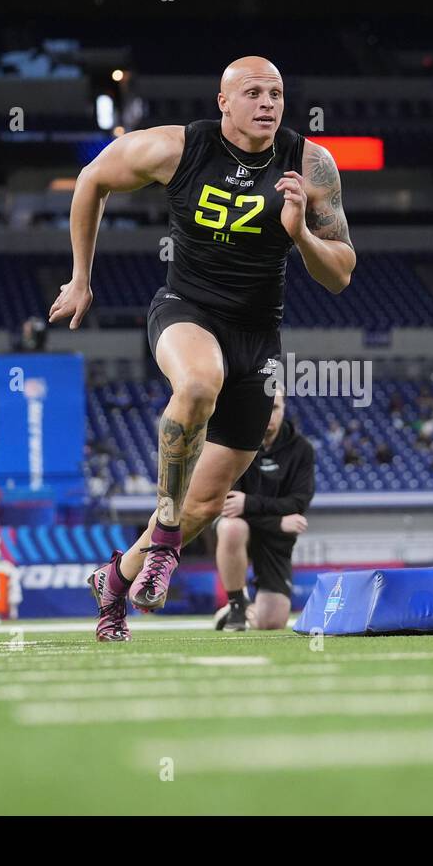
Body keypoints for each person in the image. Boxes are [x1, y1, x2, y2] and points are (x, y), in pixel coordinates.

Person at [48, 56, 354, 641]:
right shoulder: (177, 149)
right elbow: (92, 180)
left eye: (277, 93)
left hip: (259, 338)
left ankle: (114, 580)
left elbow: (340, 274)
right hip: (186, 312)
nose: (268, 103)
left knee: (208, 502)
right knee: (196, 383)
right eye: (253, 93)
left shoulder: (310, 163)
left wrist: (301, 234)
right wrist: (80, 278)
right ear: (224, 102)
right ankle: (164, 531)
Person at [213, 391, 314, 631]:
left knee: (272, 622)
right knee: (231, 527)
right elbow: (230, 506)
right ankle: (237, 605)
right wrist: (278, 521)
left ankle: (232, 610)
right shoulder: (235, 443)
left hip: (275, 538)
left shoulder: (302, 448)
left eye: (275, 407)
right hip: (246, 528)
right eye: (264, 407)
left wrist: (249, 504)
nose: (269, 414)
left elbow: (298, 503)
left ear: (284, 408)